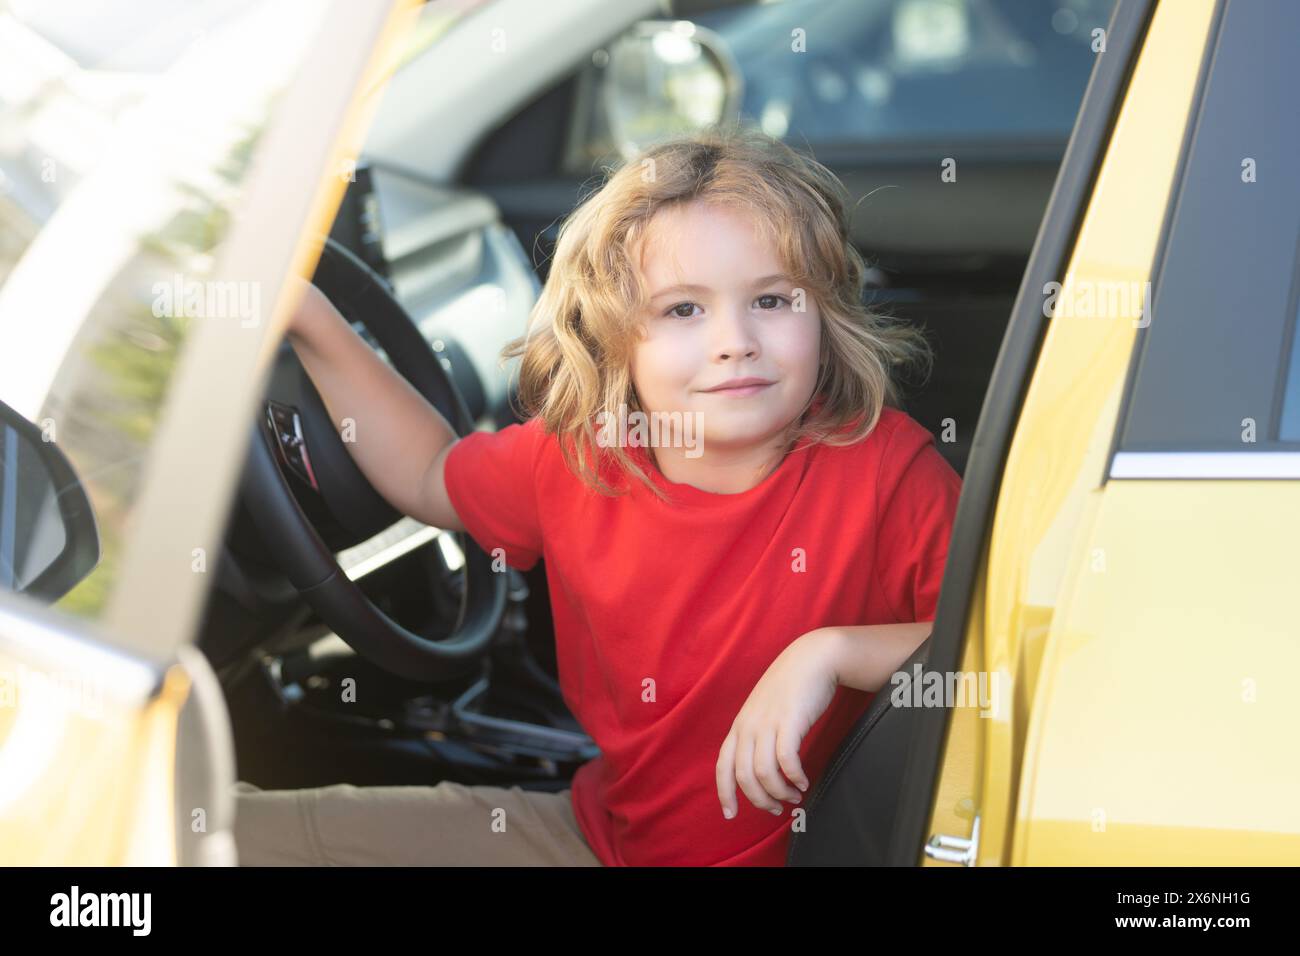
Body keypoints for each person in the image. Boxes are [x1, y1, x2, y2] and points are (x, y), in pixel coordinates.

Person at [233, 124, 961, 866]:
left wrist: (830, 654)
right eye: (683, 310)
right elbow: (428, 475)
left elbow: (994, 659)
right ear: (618, 342)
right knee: (213, 834)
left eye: (773, 301)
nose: (734, 340)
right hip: (605, 841)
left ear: (825, 318)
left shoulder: (886, 472)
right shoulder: (584, 458)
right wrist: (307, 317)